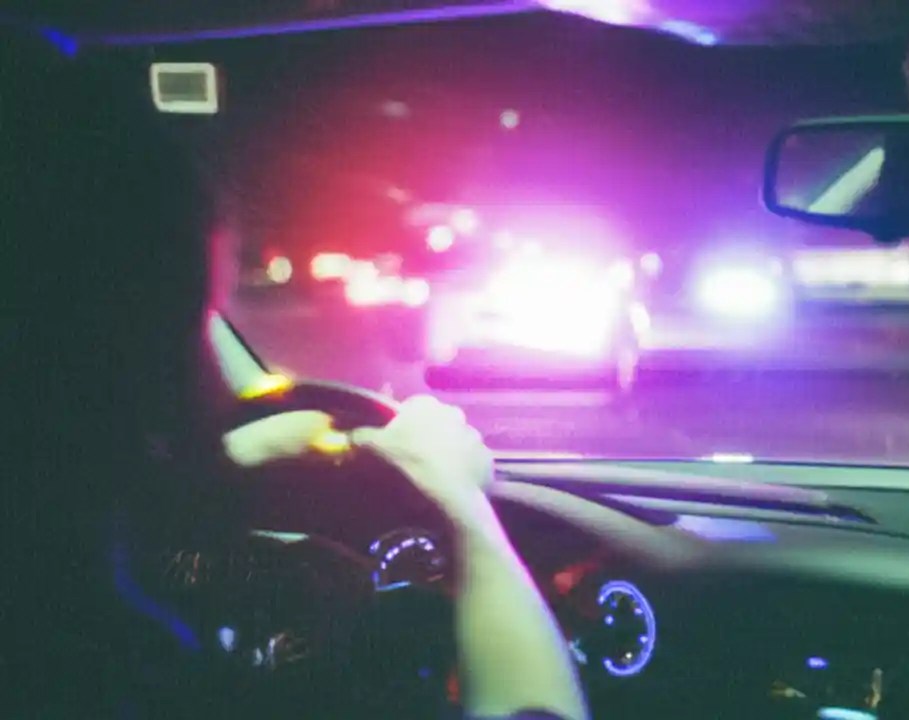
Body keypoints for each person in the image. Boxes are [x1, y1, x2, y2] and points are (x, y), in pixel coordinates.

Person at [3, 28, 586, 720]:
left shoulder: (46, 584)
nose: (207, 380)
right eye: (193, 320)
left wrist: (223, 465)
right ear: (112, 350)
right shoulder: (102, 665)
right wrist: (467, 517)